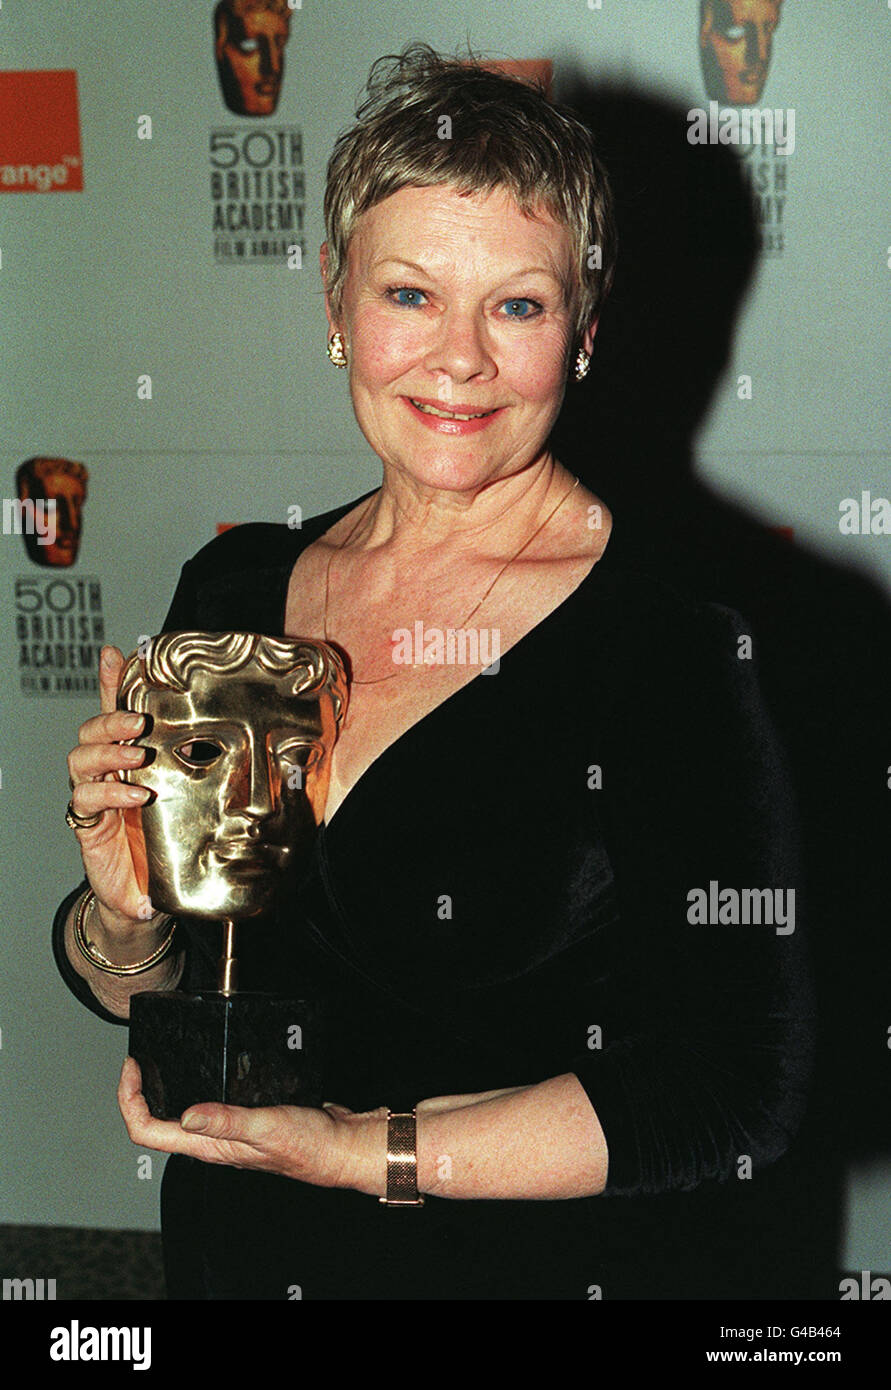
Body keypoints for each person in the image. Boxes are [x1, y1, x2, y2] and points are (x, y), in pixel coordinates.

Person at [54, 43, 814, 1300]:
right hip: (237, 1261)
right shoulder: (234, 592)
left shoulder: (667, 646)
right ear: (336, 303)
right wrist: (125, 914)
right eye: (411, 293)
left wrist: (367, 1154)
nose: (458, 359)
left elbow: (734, 1094)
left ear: (582, 330)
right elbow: (165, 983)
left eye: (516, 305)